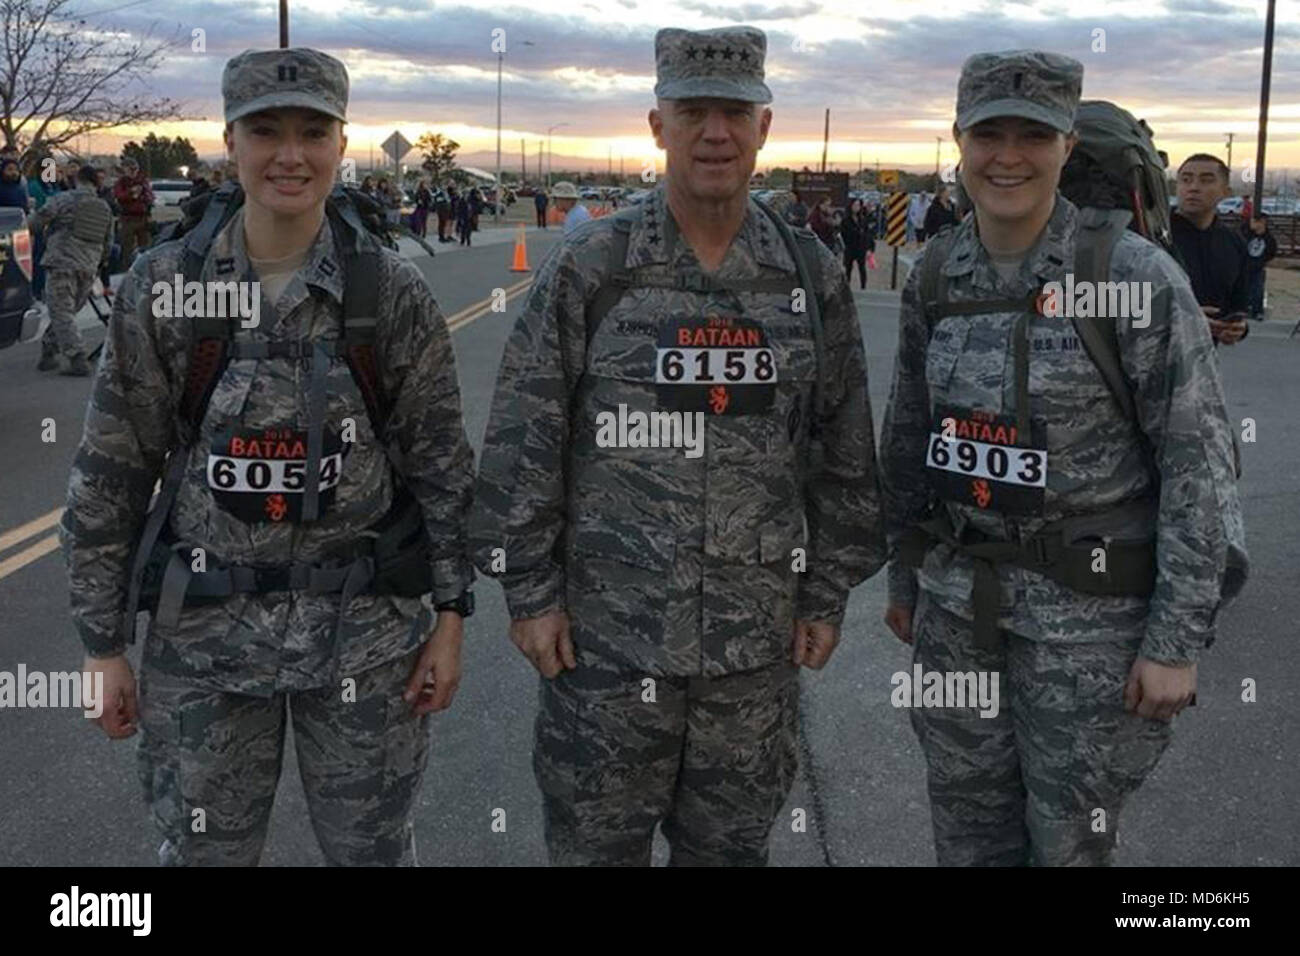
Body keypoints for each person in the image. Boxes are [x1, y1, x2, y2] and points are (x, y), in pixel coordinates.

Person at [469, 24, 886, 867]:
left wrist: (826, 592)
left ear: (765, 126)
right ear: (658, 125)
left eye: (736, 112)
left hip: (752, 655)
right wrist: (531, 594)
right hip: (605, 651)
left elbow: (843, 450)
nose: (716, 134)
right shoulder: (594, 264)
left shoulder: (805, 275)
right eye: (693, 111)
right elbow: (524, 437)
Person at [60, 46, 475, 867]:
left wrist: (452, 620)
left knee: (373, 854)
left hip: (365, 644)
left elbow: (442, 468)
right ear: (230, 141)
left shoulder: (388, 292)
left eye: (313, 132)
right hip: (205, 644)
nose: (291, 154)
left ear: (342, 143)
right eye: (267, 131)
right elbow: (112, 472)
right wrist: (102, 646)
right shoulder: (164, 286)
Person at [879, 50, 1248, 867]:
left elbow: (1200, 466)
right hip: (958, 619)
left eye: (1032, 135)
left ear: (1067, 145)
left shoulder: (1133, 277)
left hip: (1088, 636)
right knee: (967, 839)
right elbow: (910, 439)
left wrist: (1175, 642)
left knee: (1069, 848)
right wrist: (906, 579)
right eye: (989, 134)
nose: (1008, 155)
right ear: (959, 141)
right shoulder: (938, 269)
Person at [29, 164, 112, 376]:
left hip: (62, 262)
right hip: (89, 266)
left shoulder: (63, 199)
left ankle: (77, 357)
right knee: (66, 311)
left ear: (78, 179)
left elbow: (36, 223)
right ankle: (49, 351)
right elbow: (108, 243)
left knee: (60, 311)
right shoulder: (104, 207)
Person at [1171, 154, 1249, 345]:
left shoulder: (1234, 243)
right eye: (1186, 180)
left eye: (1206, 180)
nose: (1194, 187)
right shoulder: (1152, 237)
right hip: (1146, 359)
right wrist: (1183, 320)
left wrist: (1238, 328)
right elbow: (1116, 302)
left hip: (1203, 361)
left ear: (1225, 192)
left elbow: (1236, 305)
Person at [112, 157, 153, 267]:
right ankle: (126, 269)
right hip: (127, 218)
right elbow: (119, 196)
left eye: (135, 169)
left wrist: (144, 196)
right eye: (130, 169)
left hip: (143, 217)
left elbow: (150, 197)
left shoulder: (143, 182)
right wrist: (131, 193)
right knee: (127, 248)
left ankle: (145, 268)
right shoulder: (120, 183)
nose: (133, 171)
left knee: (145, 247)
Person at [1242, 214, 1277, 320]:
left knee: (1258, 289)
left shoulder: (1268, 238)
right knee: (1243, 288)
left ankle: (1257, 311)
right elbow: (1239, 240)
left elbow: (1272, 250)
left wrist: (1263, 261)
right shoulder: (1246, 234)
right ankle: (1244, 308)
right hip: (1245, 266)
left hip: (1258, 267)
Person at [840, 196, 872, 289]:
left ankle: (863, 287)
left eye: (858, 205)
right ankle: (847, 287)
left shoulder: (862, 219)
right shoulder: (846, 219)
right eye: (855, 205)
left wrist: (868, 248)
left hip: (860, 248)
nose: (857, 207)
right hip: (850, 247)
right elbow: (844, 233)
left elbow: (867, 234)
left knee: (862, 268)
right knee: (848, 269)